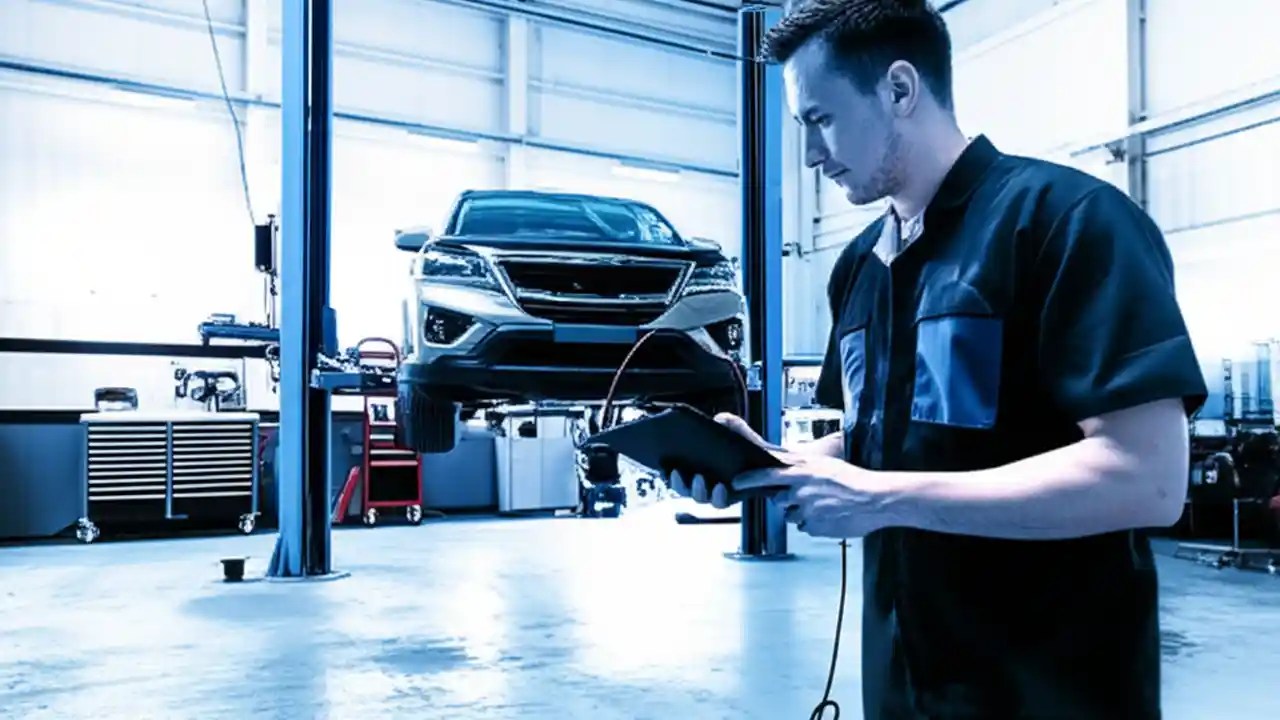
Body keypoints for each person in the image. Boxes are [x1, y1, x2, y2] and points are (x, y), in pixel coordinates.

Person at [667, 1, 1208, 718]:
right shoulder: (858, 267)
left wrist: (881, 499)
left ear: (899, 89)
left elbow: (1148, 479)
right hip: (904, 683)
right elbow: (878, 439)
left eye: (819, 120)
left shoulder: (1067, 222)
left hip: (1050, 690)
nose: (810, 156)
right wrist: (766, 465)